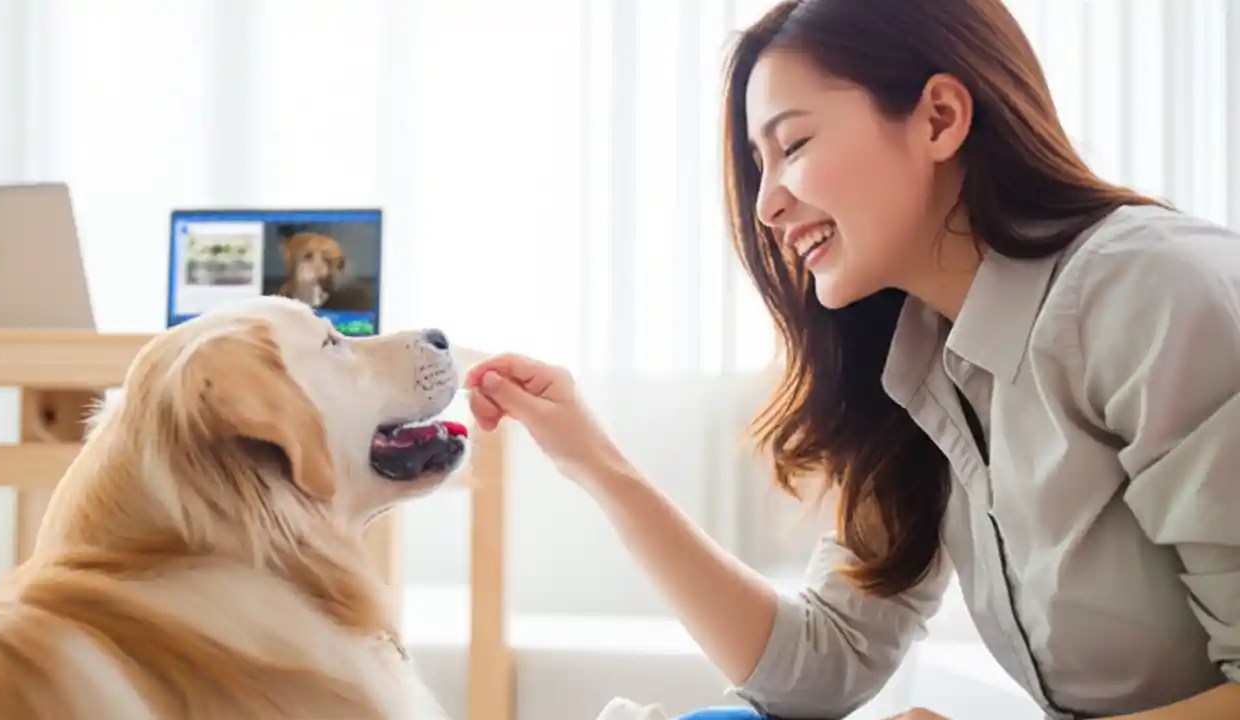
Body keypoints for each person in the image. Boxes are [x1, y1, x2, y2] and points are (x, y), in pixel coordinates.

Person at [465, 1, 1240, 718]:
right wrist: (595, 463)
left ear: (939, 117)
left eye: (793, 144)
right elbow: (820, 664)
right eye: (757, 164)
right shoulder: (919, 361)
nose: (766, 205)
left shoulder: (1154, 292)